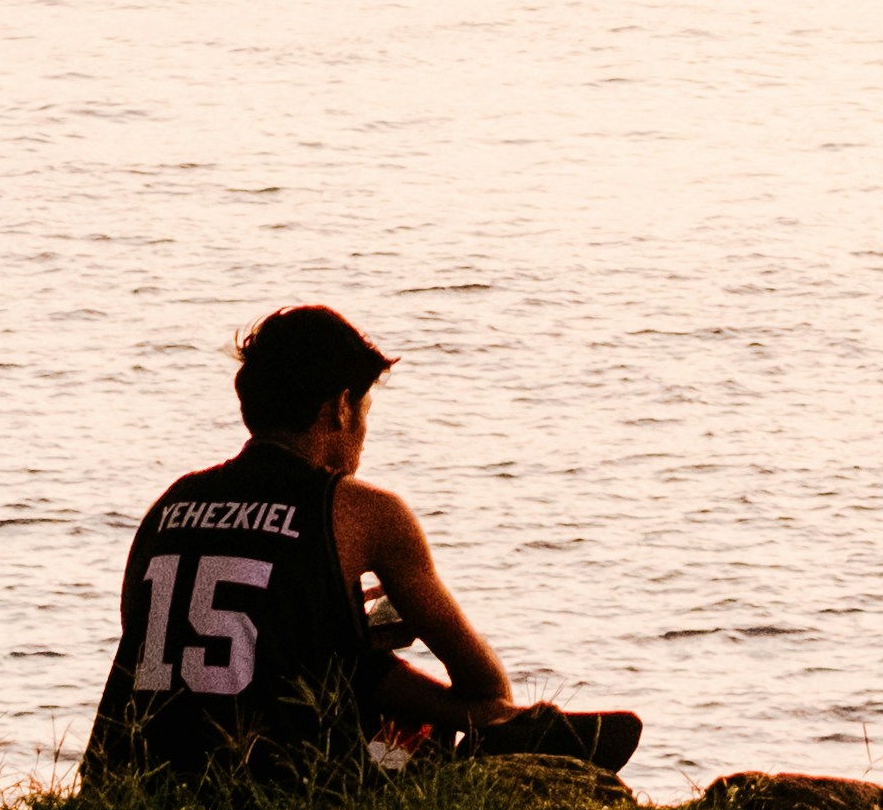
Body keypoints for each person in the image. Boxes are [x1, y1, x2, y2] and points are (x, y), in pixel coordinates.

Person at [85, 302, 641, 785]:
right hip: (271, 785)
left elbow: (176, 639)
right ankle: (512, 732)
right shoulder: (363, 511)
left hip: (132, 774)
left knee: (358, 677)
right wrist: (481, 704)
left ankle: (504, 727)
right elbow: (481, 679)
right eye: (367, 410)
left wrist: (353, 631)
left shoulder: (172, 502)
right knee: (438, 721)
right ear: (341, 407)